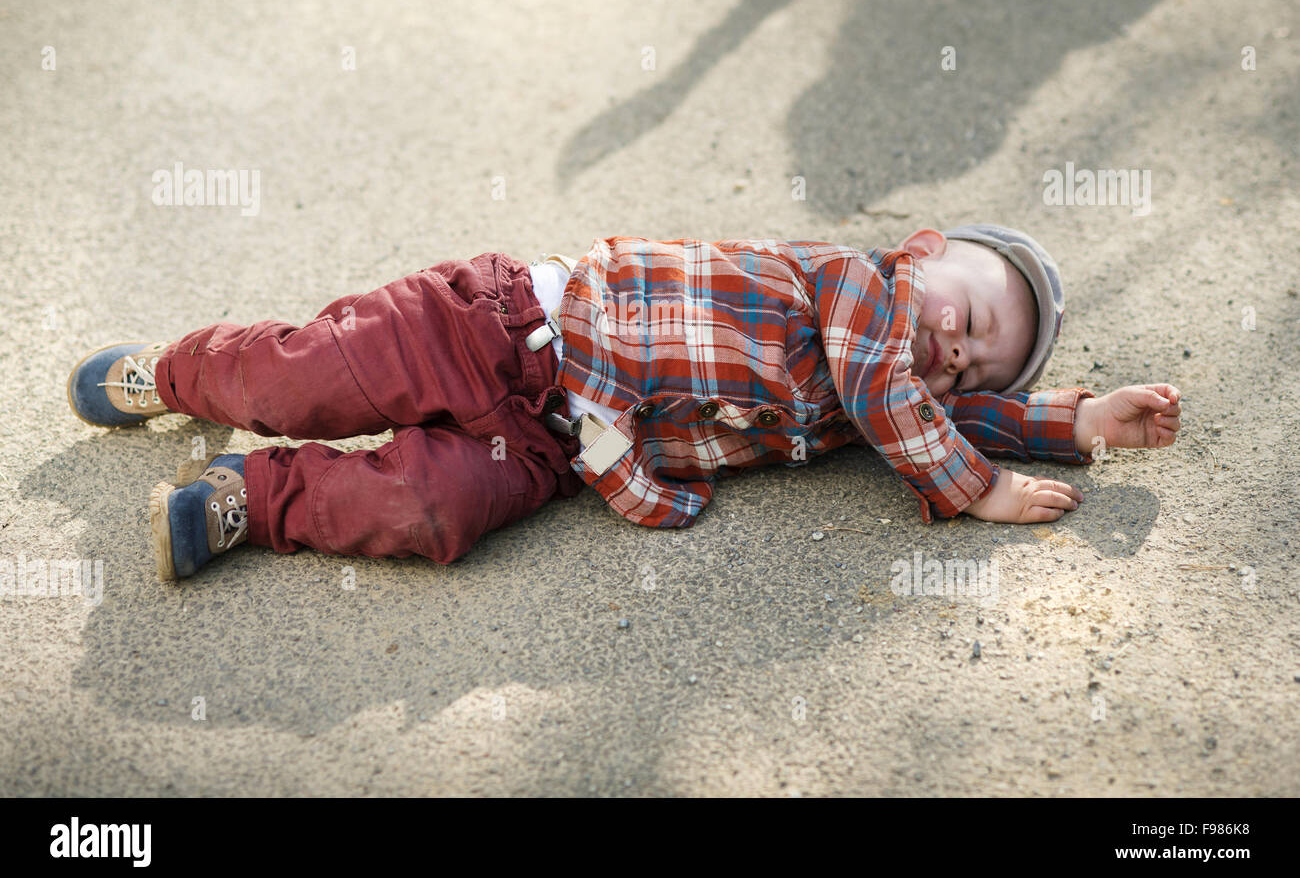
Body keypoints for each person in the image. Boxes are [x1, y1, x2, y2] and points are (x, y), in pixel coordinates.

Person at [66, 224, 1181, 581]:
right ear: (924, 253)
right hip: (509, 329)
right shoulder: (849, 289)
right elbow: (904, 400)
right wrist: (972, 490)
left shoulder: (867, 407)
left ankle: (251, 497)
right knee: (305, 375)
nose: (957, 351)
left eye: (979, 367)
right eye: (970, 316)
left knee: (431, 510)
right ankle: (176, 374)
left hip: (554, 447)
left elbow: (925, 418)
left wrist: (1074, 422)